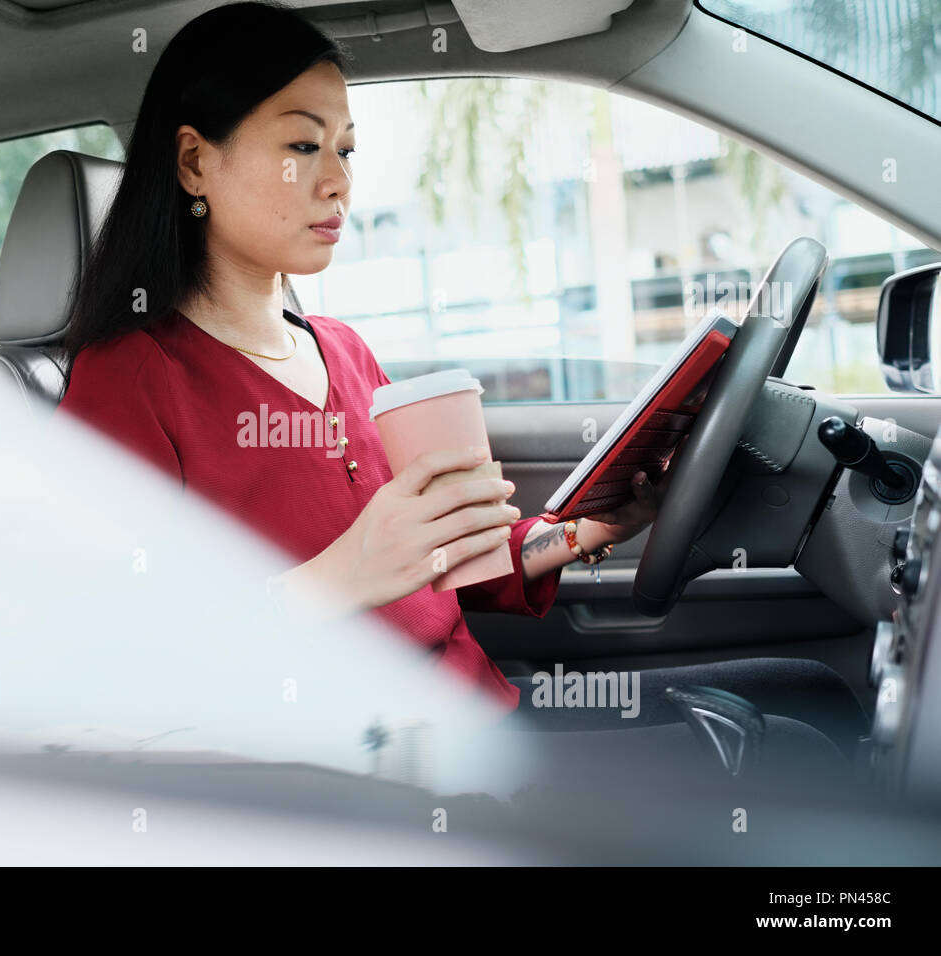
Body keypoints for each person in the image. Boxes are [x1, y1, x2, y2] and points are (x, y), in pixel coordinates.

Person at [54, 0, 866, 771]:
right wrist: (345, 574)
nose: (338, 181)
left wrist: (596, 526)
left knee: (821, 693)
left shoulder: (344, 351)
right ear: (196, 161)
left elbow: (459, 565)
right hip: (387, 771)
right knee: (797, 749)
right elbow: (124, 660)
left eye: (346, 149)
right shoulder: (130, 379)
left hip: (490, 710)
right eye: (302, 147)